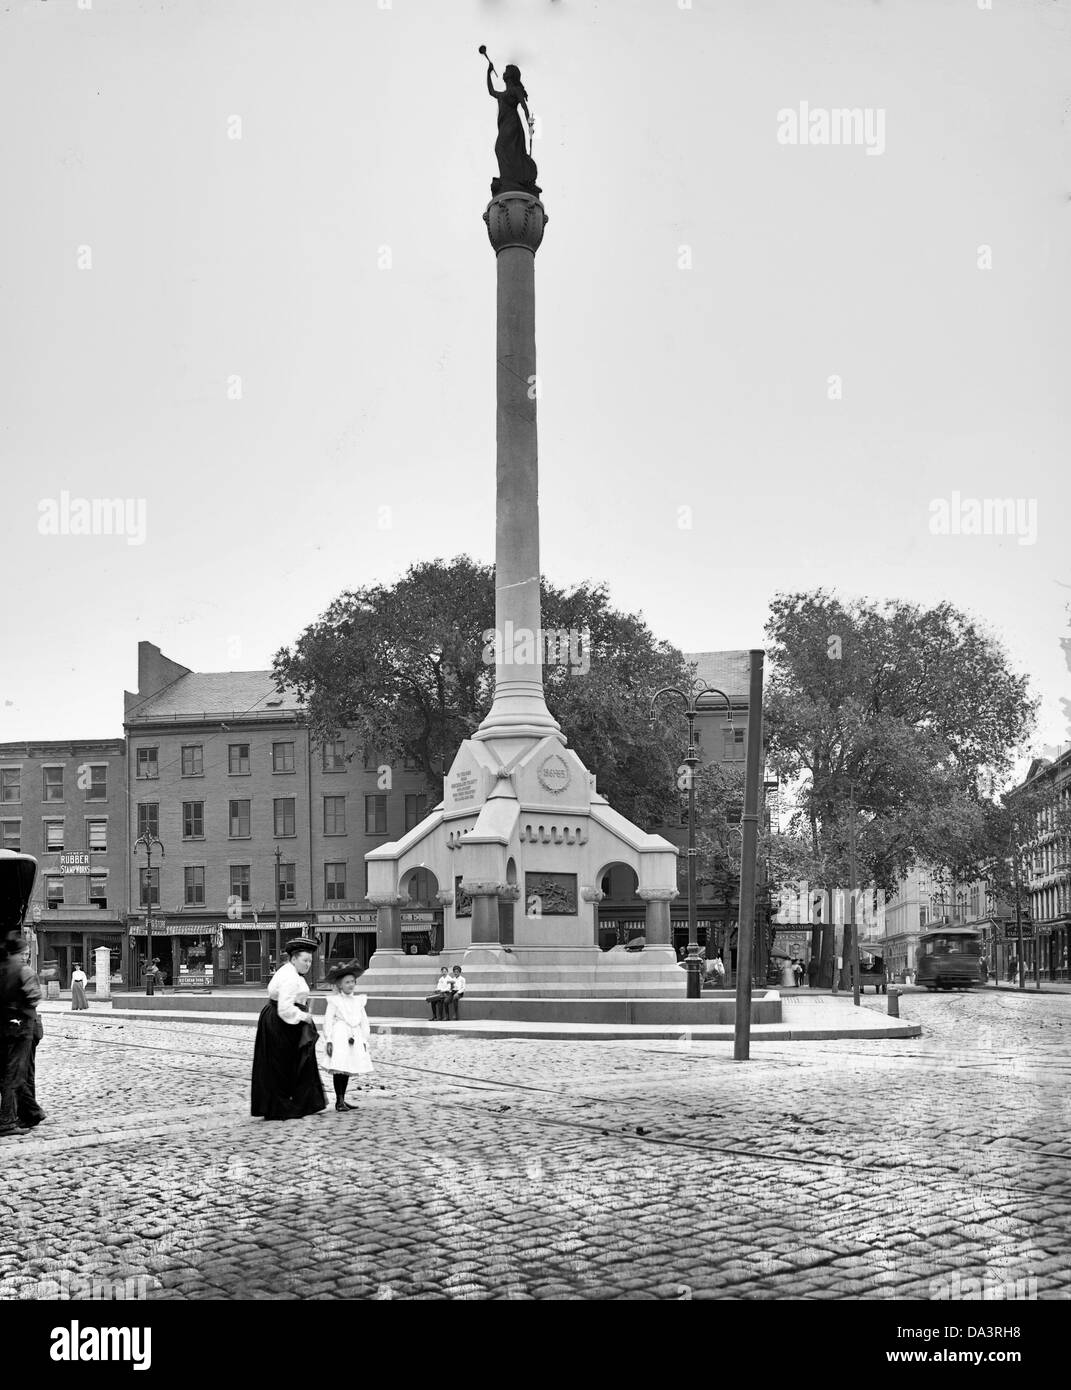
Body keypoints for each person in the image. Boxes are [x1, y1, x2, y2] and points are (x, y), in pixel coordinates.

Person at [250, 935, 326, 1122]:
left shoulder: (289, 972)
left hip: (279, 1020)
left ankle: (286, 1103)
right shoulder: (290, 977)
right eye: (304, 960)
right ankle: (284, 1105)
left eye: (310, 961)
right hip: (281, 1022)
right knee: (283, 1063)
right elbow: (285, 1008)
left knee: (285, 1062)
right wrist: (304, 1016)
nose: (308, 965)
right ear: (293, 959)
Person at [0, 933, 45, 1135]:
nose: (26, 956)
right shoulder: (24, 970)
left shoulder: (2, 968)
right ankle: (9, 1120)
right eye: (24, 953)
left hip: (3, 1025)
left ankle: (32, 1112)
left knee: (9, 1071)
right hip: (21, 1026)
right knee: (17, 1072)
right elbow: (34, 997)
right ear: (18, 952)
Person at [321, 961, 374, 1112]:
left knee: (348, 1066)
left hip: (354, 1035)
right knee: (339, 1066)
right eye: (347, 982)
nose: (351, 985)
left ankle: (343, 1098)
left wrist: (364, 1039)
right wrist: (329, 1039)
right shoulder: (335, 1001)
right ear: (339, 985)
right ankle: (339, 1100)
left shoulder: (358, 1001)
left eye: (352, 982)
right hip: (340, 1034)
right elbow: (328, 1020)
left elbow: (364, 1021)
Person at [485, 58, 539, 195]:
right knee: (502, 149)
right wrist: (488, 73)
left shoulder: (515, 90)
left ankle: (512, 178)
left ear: (511, 76)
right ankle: (509, 177)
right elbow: (491, 91)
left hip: (512, 125)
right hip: (504, 125)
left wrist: (530, 123)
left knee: (501, 147)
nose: (503, 73)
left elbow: (525, 108)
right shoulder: (503, 94)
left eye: (506, 71)